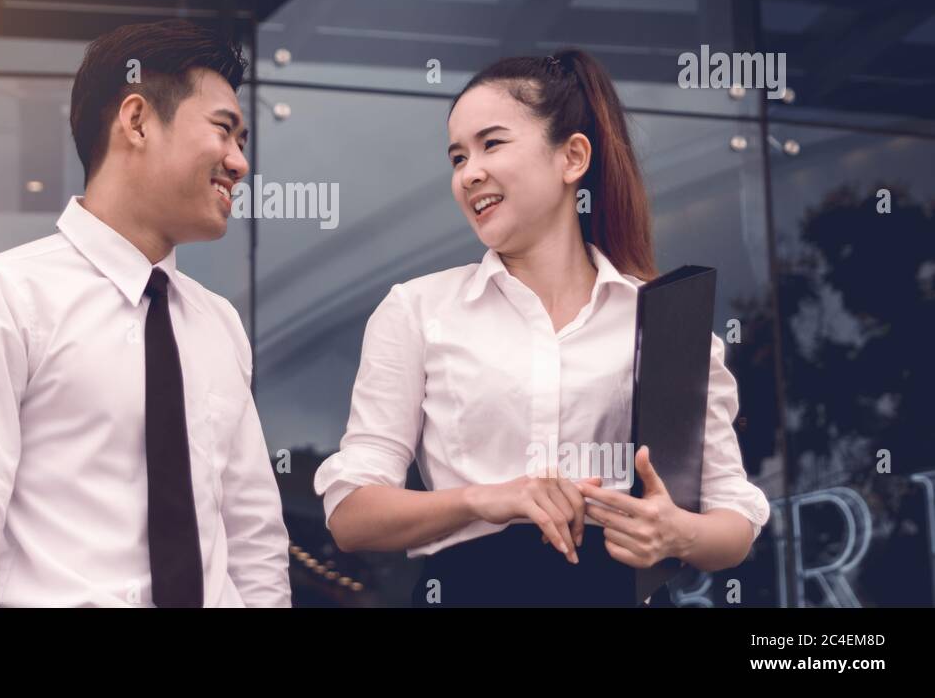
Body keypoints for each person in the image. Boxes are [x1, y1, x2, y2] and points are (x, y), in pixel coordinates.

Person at [313, 50, 770, 607]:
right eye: (457, 157)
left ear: (573, 157)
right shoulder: (417, 310)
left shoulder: (664, 324)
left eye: (492, 143)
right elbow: (351, 514)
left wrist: (677, 532)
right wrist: (487, 500)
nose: (468, 173)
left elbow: (736, 518)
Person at [0, 19, 290, 607]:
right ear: (137, 120)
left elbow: (253, 534)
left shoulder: (220, 326)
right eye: (224, 131)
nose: (238, 163)